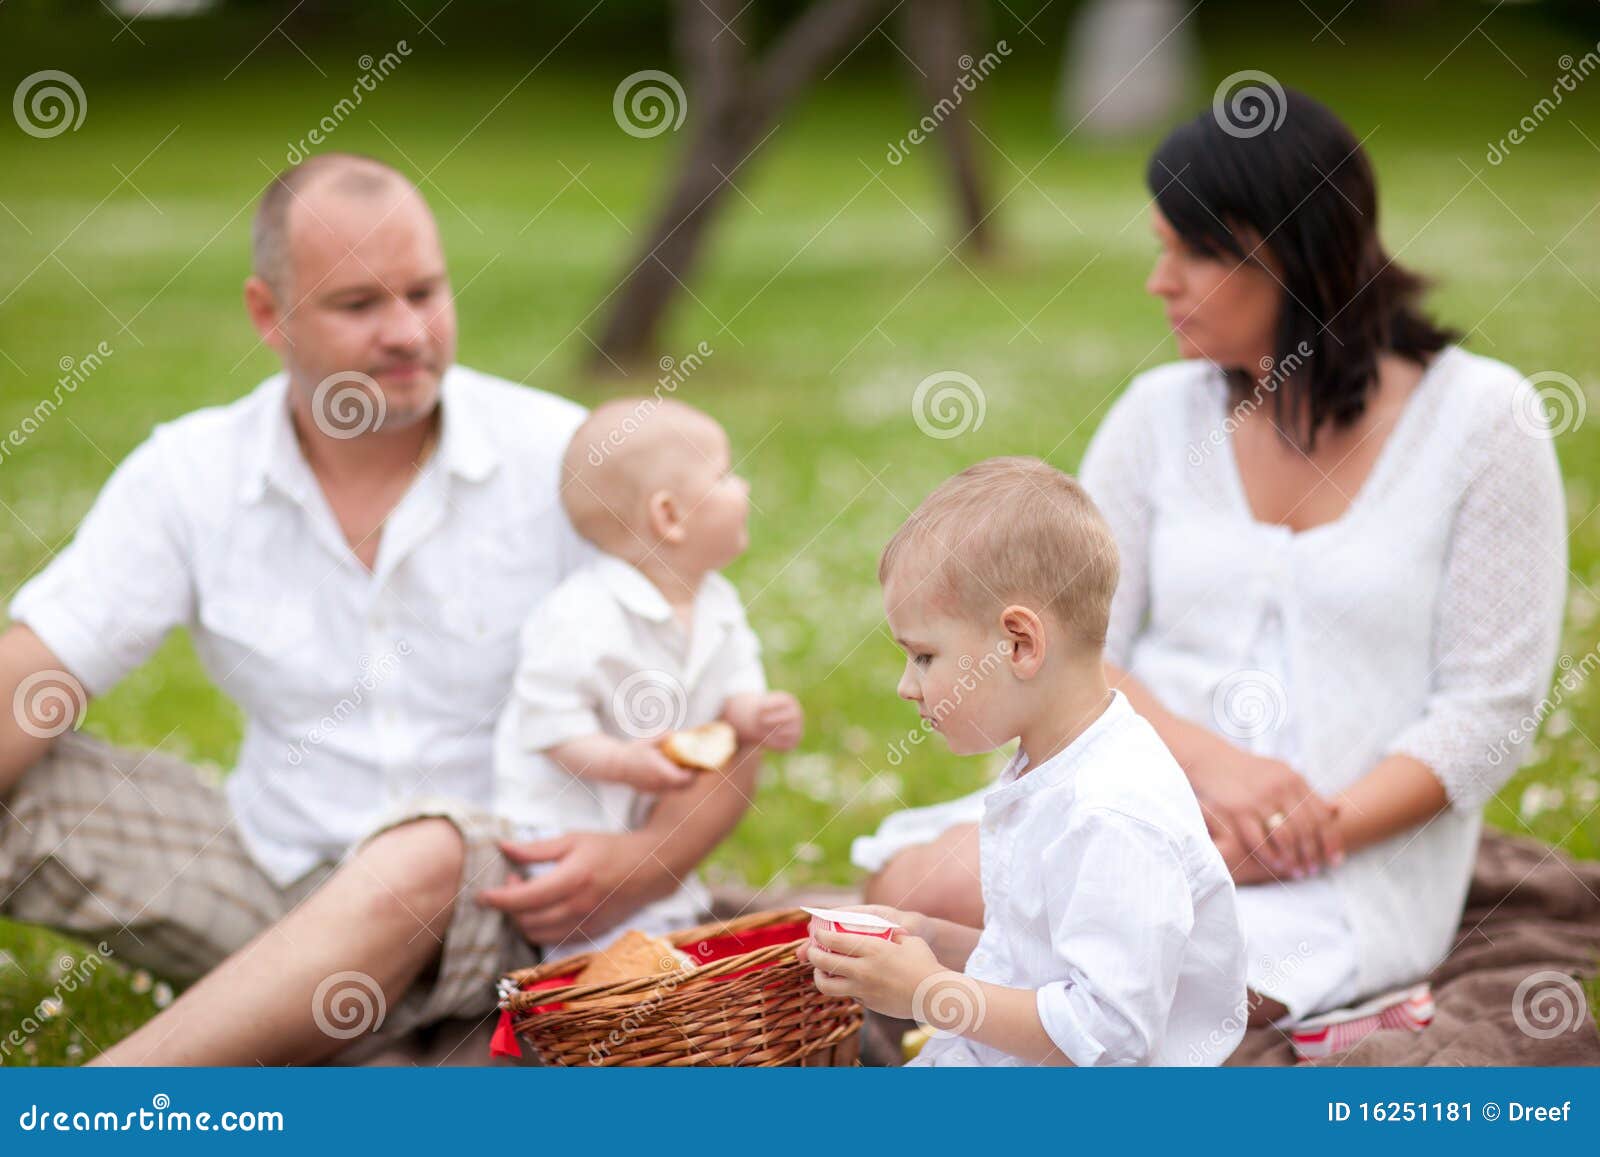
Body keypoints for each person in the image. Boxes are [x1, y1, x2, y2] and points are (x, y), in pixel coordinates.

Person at [0, 153, 762, 1065]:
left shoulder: (565, 462)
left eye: (425, 292)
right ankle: (381, 1034)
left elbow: (726, 719)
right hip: (270, 880)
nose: (408, 331)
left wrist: (640, 867)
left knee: (426, 852)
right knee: (25, 786)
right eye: (359, 305)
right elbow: (37, 669)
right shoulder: (191, 472)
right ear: (266, 314)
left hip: (505, 890)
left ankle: (99, 1109)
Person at [853, 90, 1566, 1030]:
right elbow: (1075, 641)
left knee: (1153, 982)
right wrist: (1210, 772)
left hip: (1347, 864)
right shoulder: (1158, 416)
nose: (1161, 281)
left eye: (1196, 252)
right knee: (910, 892)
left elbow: (1488, 714)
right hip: (1121, 803)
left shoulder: (1484, 418)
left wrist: (1298, 836)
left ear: (1298, 253)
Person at [800, 458, 1247, 1065]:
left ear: (1020, 644)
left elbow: (1109, 1033)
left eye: (924, 656)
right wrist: (928, 939)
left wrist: (929, 993)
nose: (908, 686)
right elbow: (1032, 961)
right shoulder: (1054, 768)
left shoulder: (1114, 812)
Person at [492, 398, 803, 959]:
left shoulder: (718, 601)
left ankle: (663, 998)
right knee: (594, 962)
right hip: (566, 835)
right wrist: (625, 763)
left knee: (660, 943)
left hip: (649, 831)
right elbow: (549, 724)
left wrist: (758, 713)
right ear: (670, 516)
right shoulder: (579, 616)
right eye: (726, 475)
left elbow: (737, 691)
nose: (745, 487)